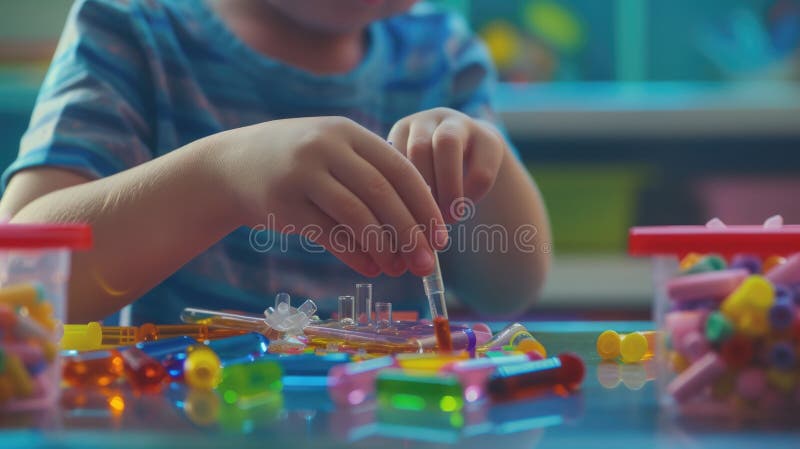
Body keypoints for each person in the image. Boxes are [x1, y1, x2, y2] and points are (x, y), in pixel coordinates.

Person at [0, 0, 550, 323]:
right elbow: (21, 275)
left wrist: (483, 167)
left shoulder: (441, 52)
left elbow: (511, 288)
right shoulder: (130, 27)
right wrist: (221, 177)